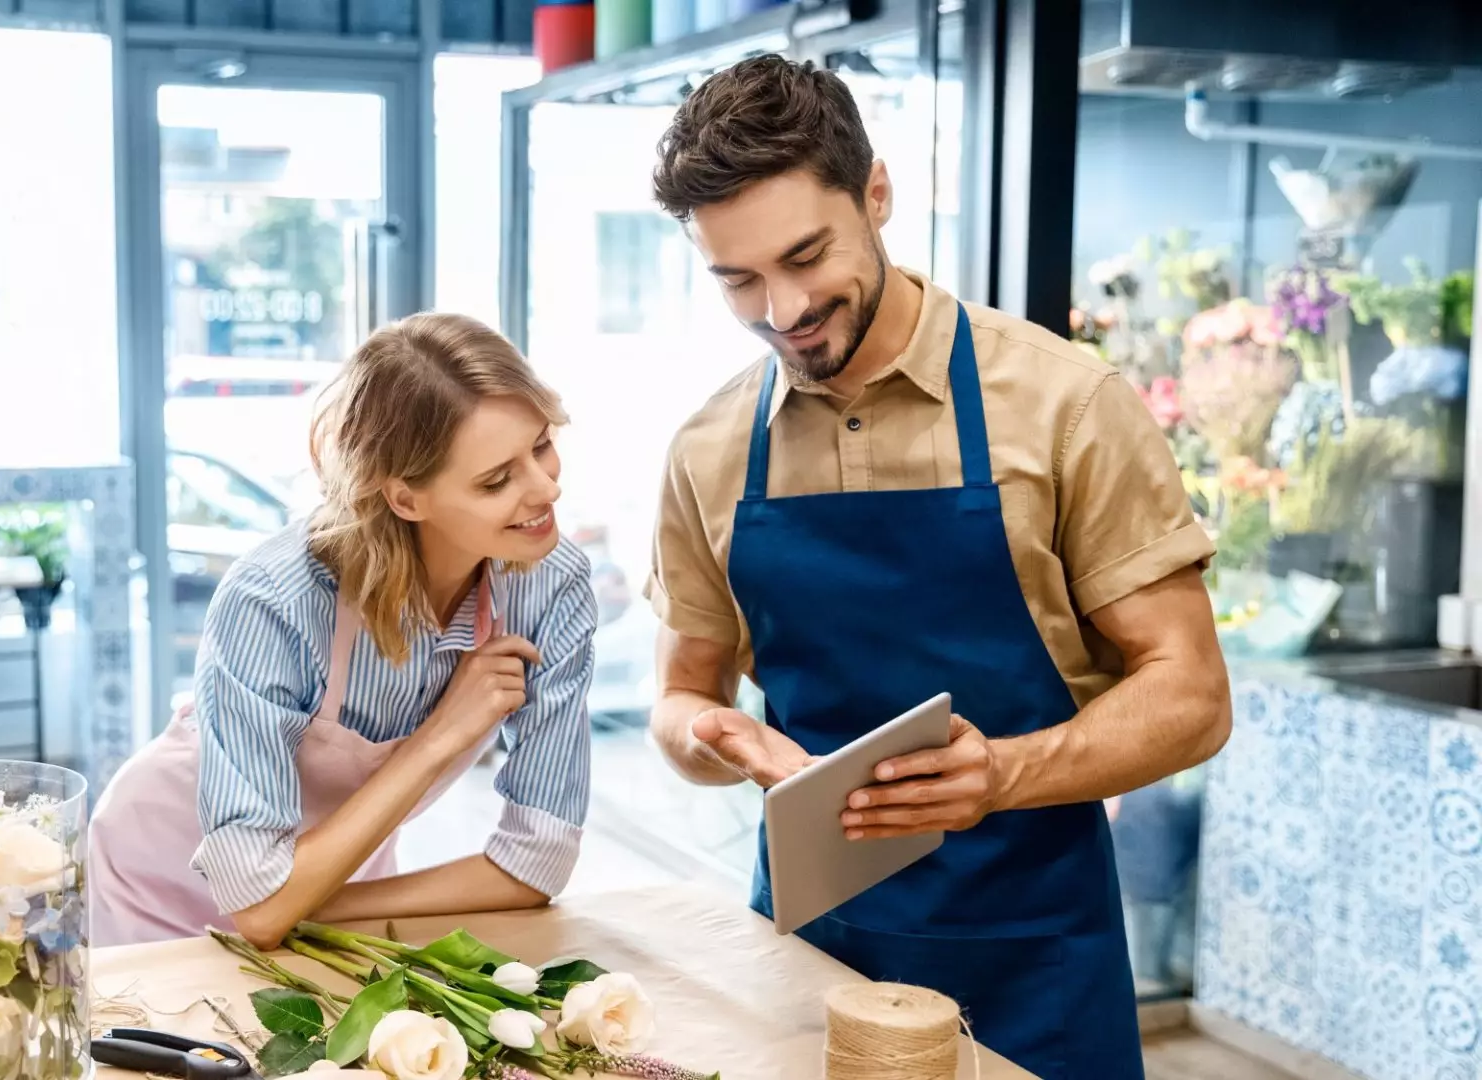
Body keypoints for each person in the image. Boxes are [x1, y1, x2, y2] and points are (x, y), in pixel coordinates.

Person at [643, 56, 1231, 1078]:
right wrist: (712, 734)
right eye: (737, 280)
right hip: (802, 963)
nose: (781, 310)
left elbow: (1192, 698)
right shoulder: (708, 449)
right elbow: (678, 698)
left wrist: (1001, 773)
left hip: (1038, 966)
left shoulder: (1064, 407)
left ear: (876, 193)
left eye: (805, 255)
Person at [90, 312, 597, 950]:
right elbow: (260, 903)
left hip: (329, 881)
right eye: (497, 480)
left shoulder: (551, 586)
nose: (546, 486)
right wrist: (439, 736)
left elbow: (537, 862)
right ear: (406, 499)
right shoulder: (274, 601)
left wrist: (307, 902)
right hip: (155, 876)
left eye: (542, 444)